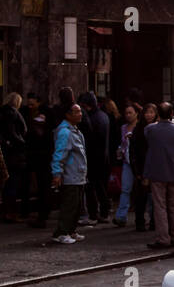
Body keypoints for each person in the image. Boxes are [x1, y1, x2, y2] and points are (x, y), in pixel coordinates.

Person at [143, 101, 174, 248]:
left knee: (160, 206)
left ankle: (163, 238)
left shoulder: (150, 130)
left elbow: (147, 135)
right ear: (172, 114)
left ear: (158, 114)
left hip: (157, 172)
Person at [50, 102, 88, 244]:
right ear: (68, 115)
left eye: (80, 111)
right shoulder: (65, 132)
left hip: (78, 174)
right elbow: (59, 154)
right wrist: (57, 173)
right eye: (77, 112)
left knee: (76, 205)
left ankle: (71, 230)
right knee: (69, 205)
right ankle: (61, 232)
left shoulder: (75, 130)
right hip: (70, 175)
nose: (80, 114)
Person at [79, 91, 110, 222]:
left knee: (91, 187)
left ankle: (94, 214)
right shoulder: (103, 116)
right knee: (100, 186)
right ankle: (104, 211)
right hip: (103, 156)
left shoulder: (91, 119)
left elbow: (89, 138)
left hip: (92, 157)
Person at [129, 102, 157, 232]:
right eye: (147, 112)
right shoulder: (139, 129)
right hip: (142, 166)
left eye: (152, 112)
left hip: (156, 168)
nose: (149, 115)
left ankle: (154, 221)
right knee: (141, 197)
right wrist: (137, 170)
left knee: (155, 197)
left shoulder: (158, 128)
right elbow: (133, 150)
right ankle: (139, 221)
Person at [0, 92, 28, 221]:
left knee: (7, 183)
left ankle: (7, 211)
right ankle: (10, 213)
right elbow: (14, 133)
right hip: (14, 155)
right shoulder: (12, 113)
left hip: (6, 153)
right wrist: (21, 143)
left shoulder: (2, 113)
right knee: (13, 183)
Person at [112, 103, 141, 227]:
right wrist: (120, 150)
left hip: (139, 162)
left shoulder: (140, 127)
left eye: (130, 113)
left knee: (143, 190)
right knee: (125, 189)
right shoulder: (123, 128)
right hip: (127, 162)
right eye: (126, 113)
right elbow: (122, 144)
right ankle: (121, 216)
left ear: (136, 114)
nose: (128, 115)